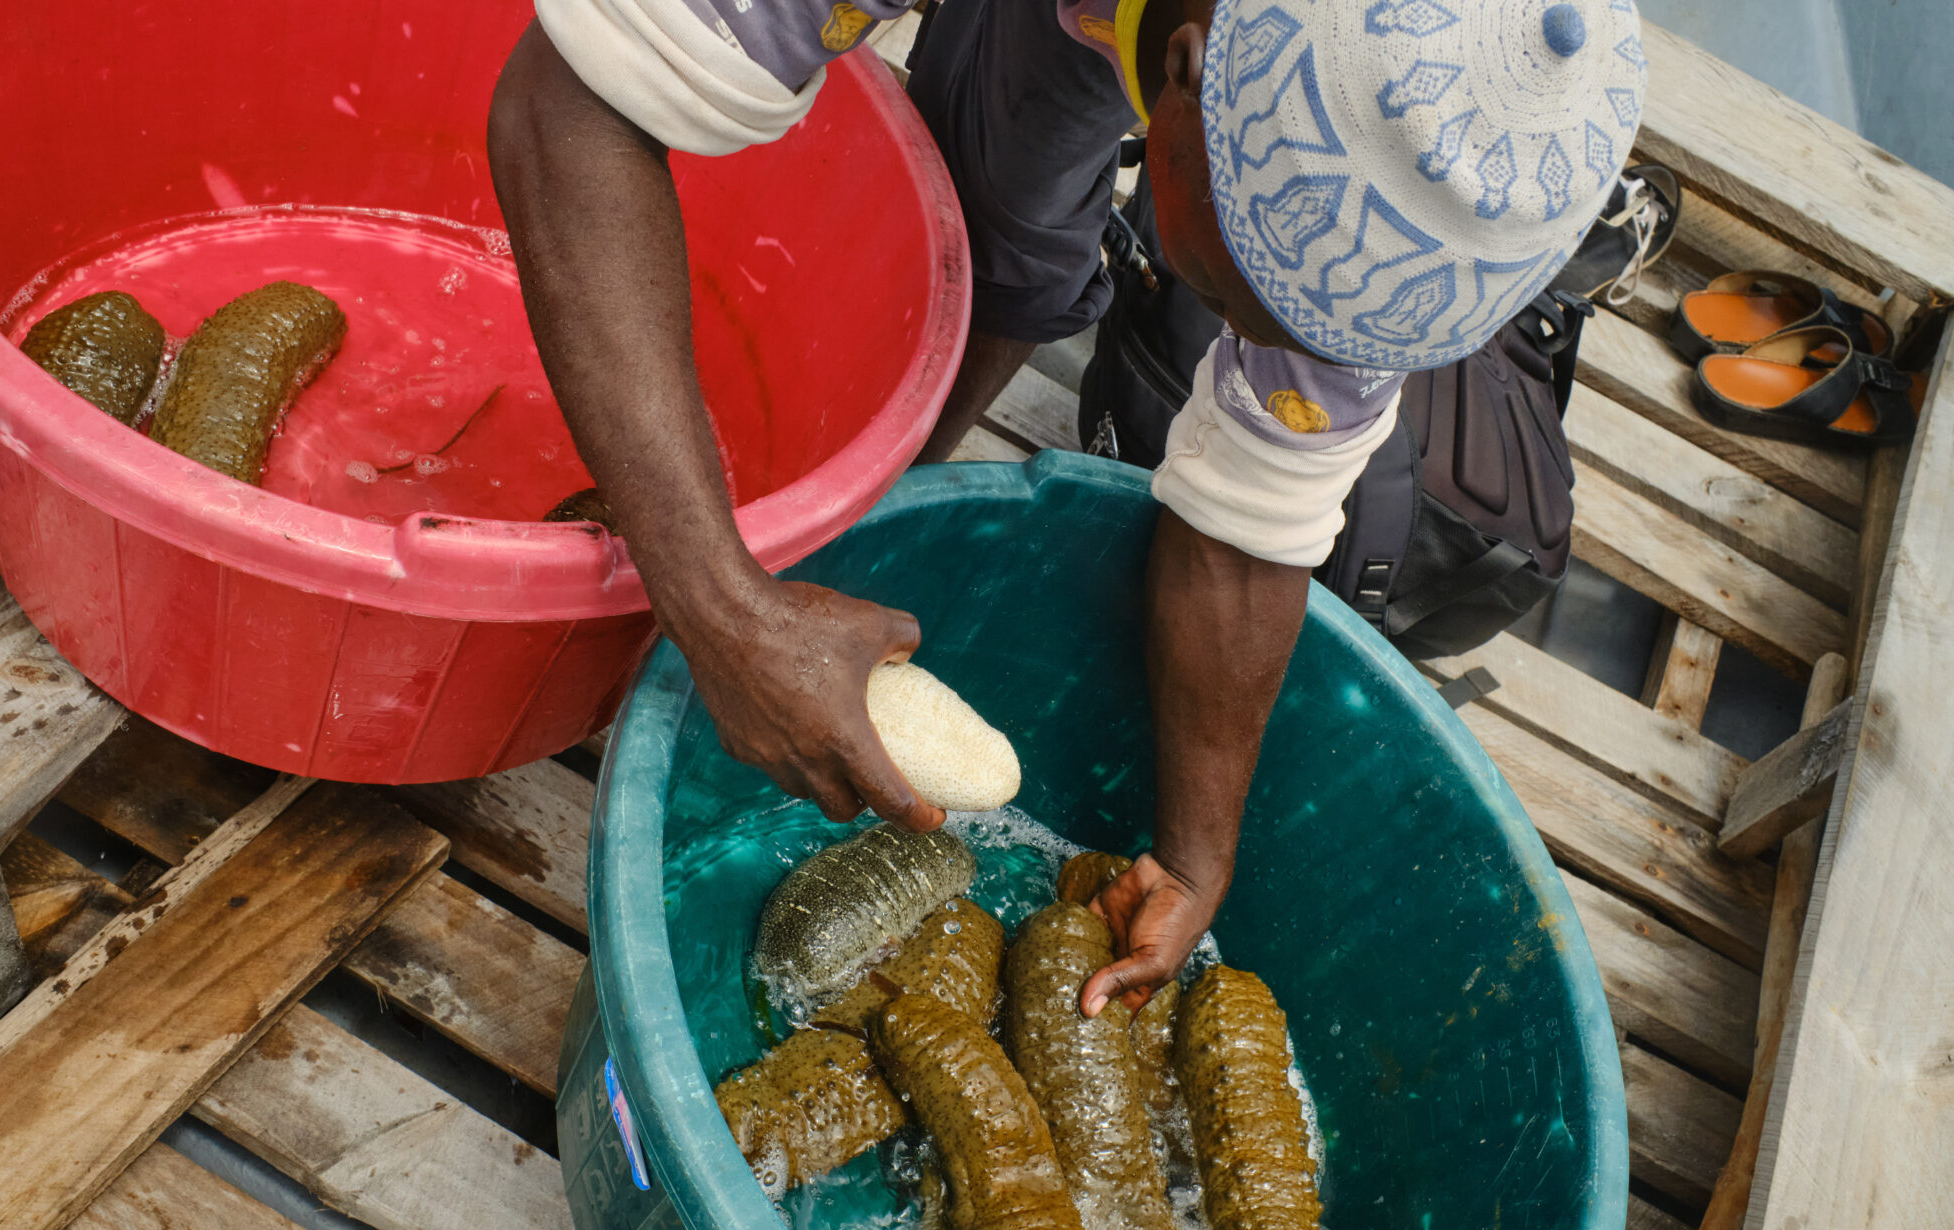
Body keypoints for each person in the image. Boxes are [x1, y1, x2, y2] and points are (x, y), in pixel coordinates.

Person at [488, 0, 1644, 1014]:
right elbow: (565, 103)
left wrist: (1195, 855)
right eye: (1246, 301)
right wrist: (725, 612)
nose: (1273, 355)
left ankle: (883, 477)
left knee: (1003, 213)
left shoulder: (1376, 173)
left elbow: (1258, 512)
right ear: (1183, 83)